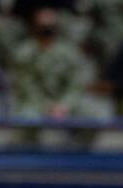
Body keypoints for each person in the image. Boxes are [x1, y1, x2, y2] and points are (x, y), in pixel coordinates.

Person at [10, 9, 95, 146]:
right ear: (34, 26)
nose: (47, 29)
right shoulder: (25, 52)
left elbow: (76, 84)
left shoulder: (69, 52)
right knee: (27, 117)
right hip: (35, 103)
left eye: (50, 25)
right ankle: (30, 151)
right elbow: (27, 86)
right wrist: (48, 106)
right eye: (43, 26)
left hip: (65, 102)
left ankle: (78, 151)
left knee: (92, 117)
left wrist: (65, 104)